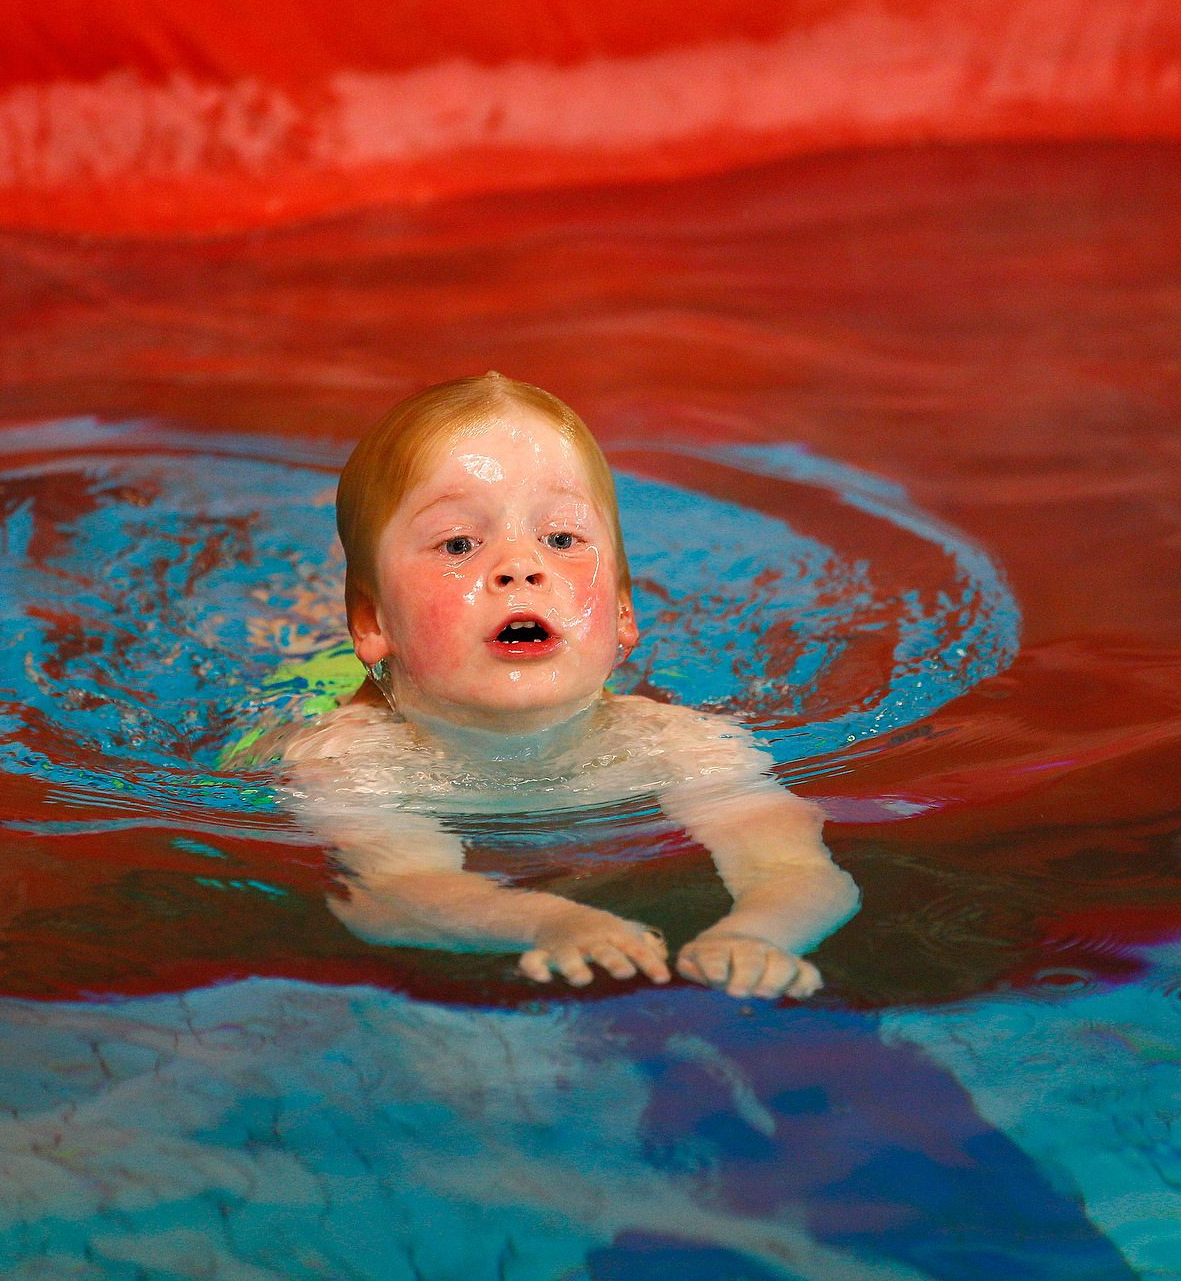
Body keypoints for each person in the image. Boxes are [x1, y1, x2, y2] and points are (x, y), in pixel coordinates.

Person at [273, 372, 858, 1000]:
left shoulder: (675, 743)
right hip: (311, 681)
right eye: (459, 543)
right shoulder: (350, 759)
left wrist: (759, 933)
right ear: (372, 621)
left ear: (623, 615)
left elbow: (795, 868)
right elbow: (395, 893)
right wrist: (550, 919)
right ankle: (315, 584)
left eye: (560, 539)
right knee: (294, 635)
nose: (520, 567)